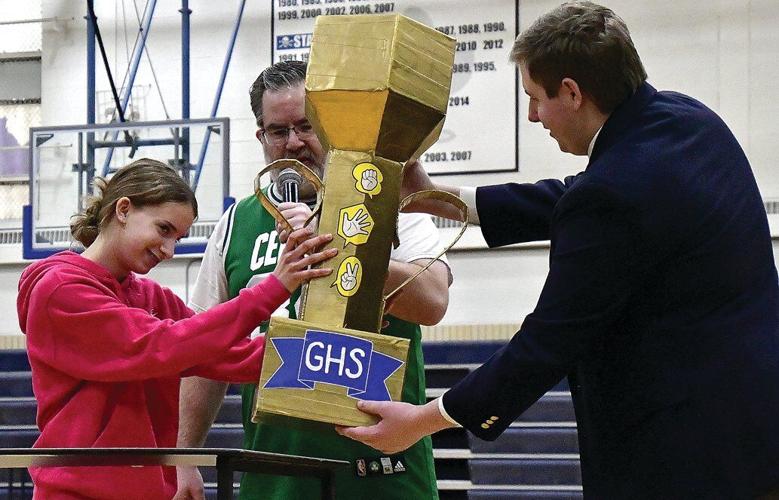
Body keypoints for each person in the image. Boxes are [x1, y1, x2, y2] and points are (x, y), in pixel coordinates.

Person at [338, 2, 779, 498]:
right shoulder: (684, 120)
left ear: (571, 92)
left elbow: (546, 343)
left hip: (683, 455)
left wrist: (424, 420)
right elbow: (576, 194)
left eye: (534, 98)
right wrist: (439, 197)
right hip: (754, 428)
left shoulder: (614, 192)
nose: (532, 115)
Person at [175, 60, 451, 500]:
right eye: (278, 131)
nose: (295, 143)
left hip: (380, 472)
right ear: (261, 136)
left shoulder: (388, 201)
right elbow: (205, 348)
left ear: (332, 126)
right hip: (275, 472)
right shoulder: (236, 223)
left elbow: (433, 301)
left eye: (306, 126)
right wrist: (185, 456)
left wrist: (342, 244)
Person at [17, 158, 336, 500]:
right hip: (76, 494)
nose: (169, 251)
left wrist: (326, 355)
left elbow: (224, 354)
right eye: (164, 229)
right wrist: (274, 287)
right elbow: (162, 345)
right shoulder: (59, 290)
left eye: (178, 239)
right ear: (123, 209)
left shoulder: (151, 296)